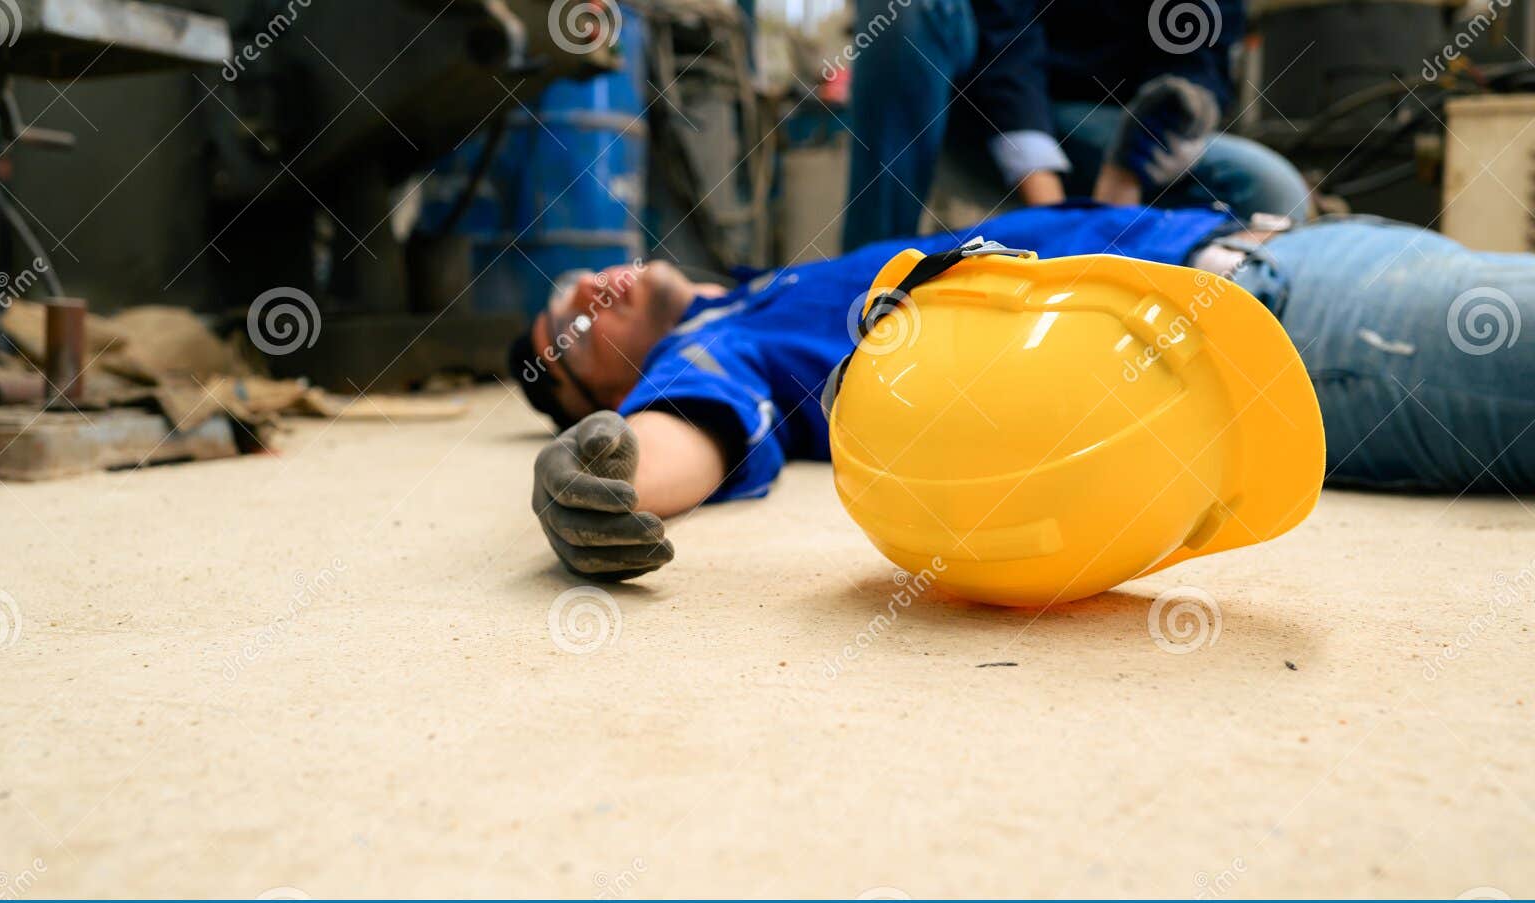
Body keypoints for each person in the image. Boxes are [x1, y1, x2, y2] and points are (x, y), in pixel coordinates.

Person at [510, 203, 1535, 579]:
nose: (581, 296)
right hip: (1268, 322)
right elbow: (685, 425)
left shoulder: (758, 286)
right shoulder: (717, 343)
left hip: (1296, 244)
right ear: (604, 385)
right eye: (570, 336)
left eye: (570, 289)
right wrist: (604, 479)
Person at [840, 0, 1309, 250]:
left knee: (1272, 192)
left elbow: (1196, 60)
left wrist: (1131, 166)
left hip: (1108, 135)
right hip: (978, 110)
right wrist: (1061, 228)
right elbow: (1007, 42)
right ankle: (868, 281)